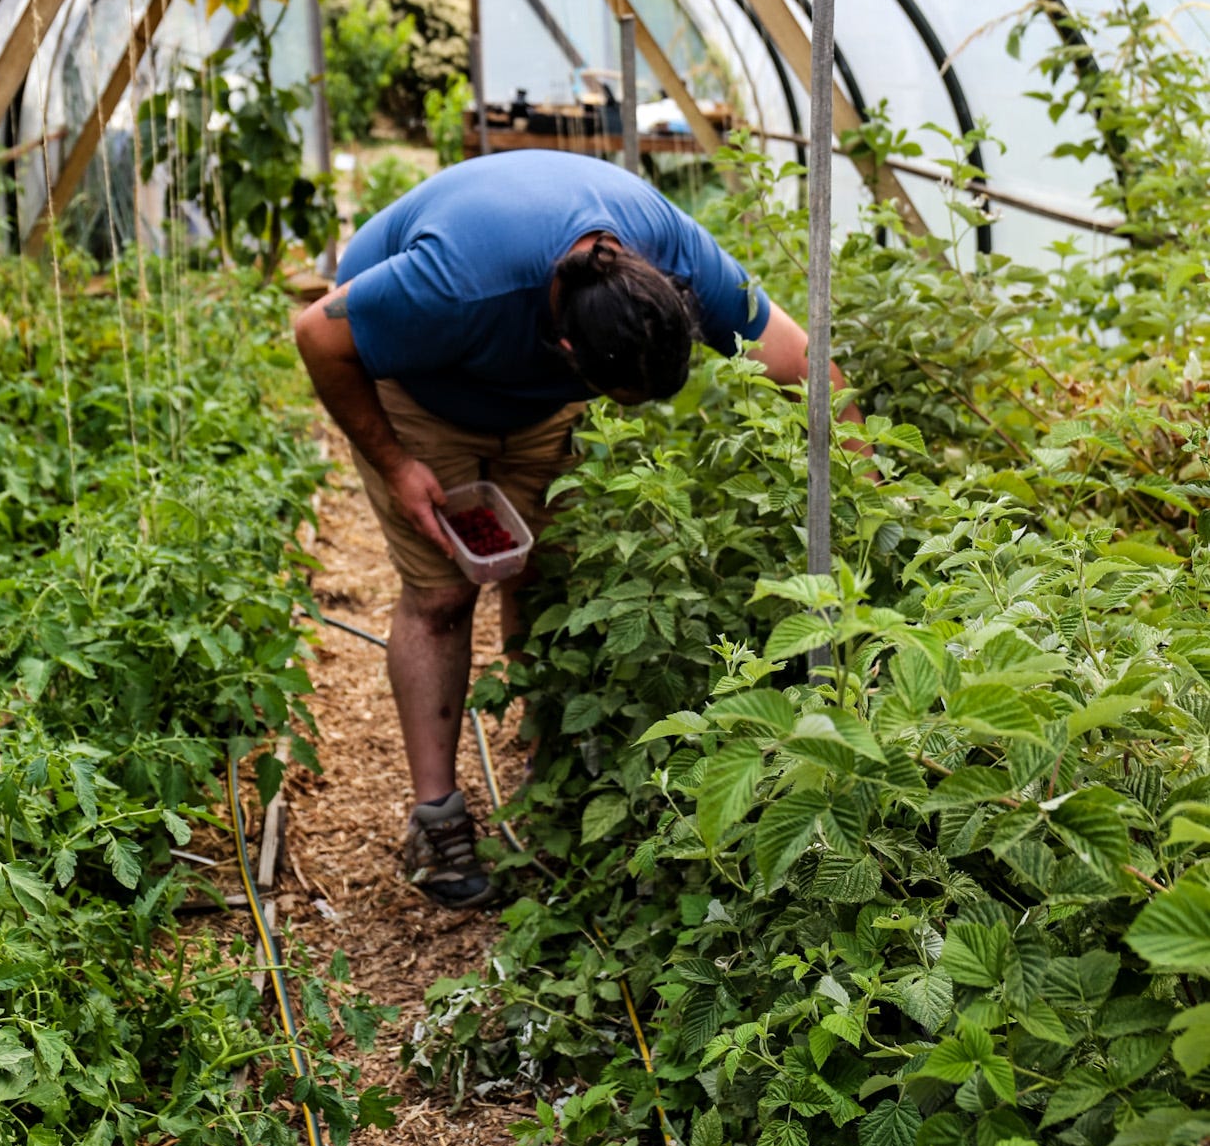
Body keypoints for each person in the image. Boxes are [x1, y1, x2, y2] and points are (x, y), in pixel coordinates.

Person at [293, 149, 863, 908]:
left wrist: (876, 493)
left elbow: (800, 362)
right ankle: (437, 821)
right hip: (419, 393)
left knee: (548, 571)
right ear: (564, 352)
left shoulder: (672, 255)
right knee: (440, 595)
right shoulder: (453, 283)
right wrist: (397, 465)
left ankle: (547, 772)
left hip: (537, 409)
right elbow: (316, 336)